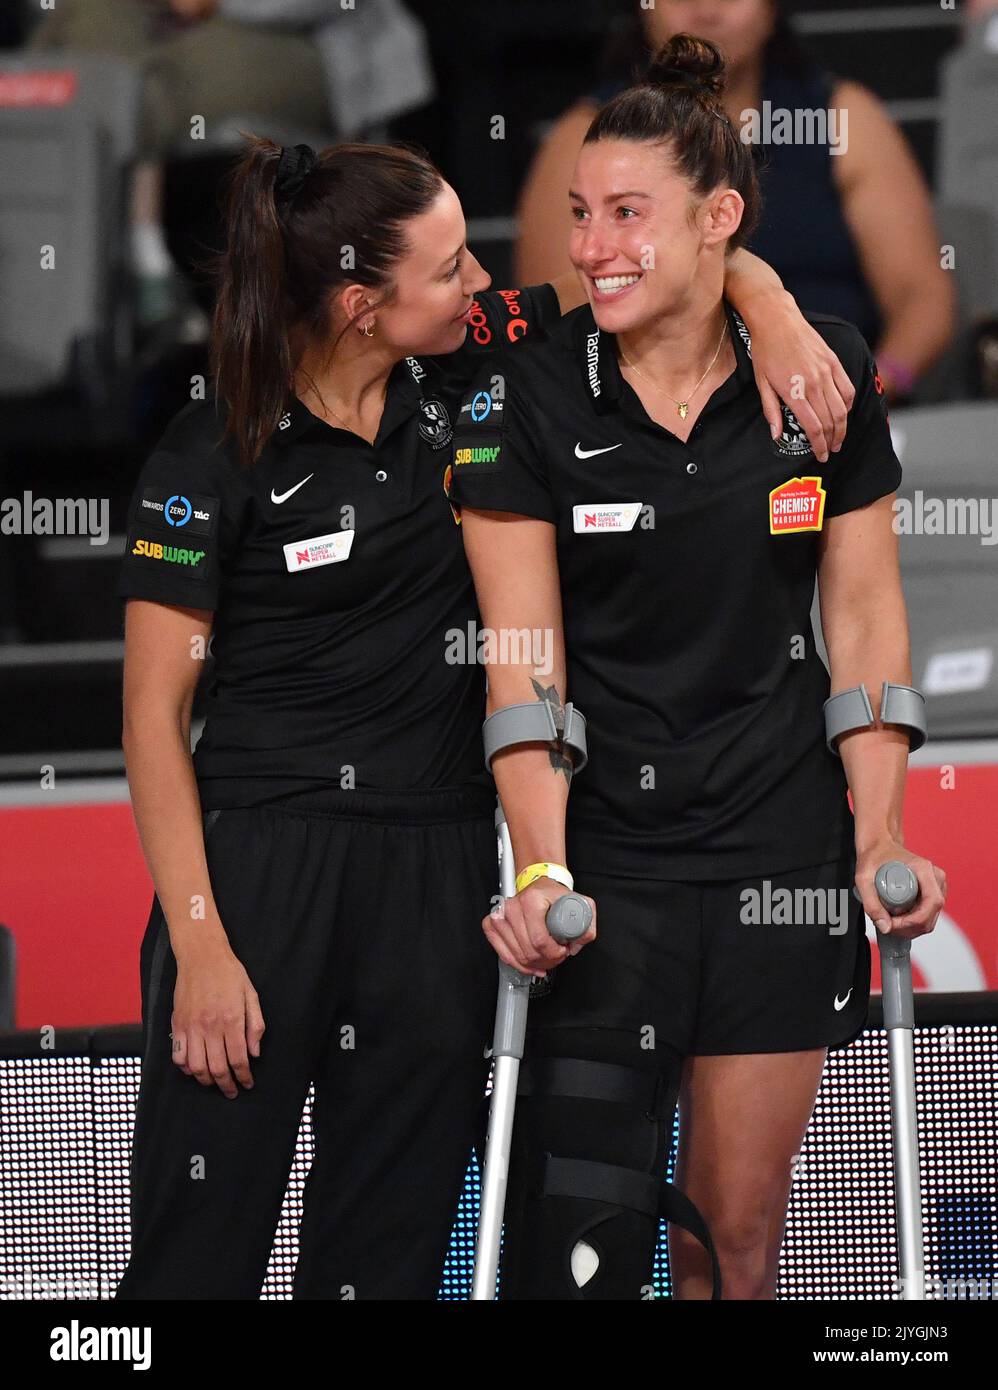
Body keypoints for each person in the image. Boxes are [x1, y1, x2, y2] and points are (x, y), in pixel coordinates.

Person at [112, 130, 857, 1300]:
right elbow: (151, 721)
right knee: (194, 1262)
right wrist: (200, 943)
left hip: (440, 869)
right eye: (453, 267)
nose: (482, 285)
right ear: (363, 304)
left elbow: (640, 277)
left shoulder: (471, 370)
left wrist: (765, 296)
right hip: (259, 879)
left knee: (387, 1257)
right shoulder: (209, 455)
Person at [447, 35, 948, 1300]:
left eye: (628, 214)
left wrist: (877, 833)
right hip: (607, 867)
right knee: (593, 1240)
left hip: (773, 854)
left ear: (718, 217)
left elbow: (869, 627)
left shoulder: (817, 383)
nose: (591, 245)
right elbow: (522, 664)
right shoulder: (524, 397)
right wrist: (542, 860)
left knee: (733, 1233)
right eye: (577, 214)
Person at [515, 0, 954, 403]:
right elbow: (557, 318)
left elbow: (922, 297)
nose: (706, 10)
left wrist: (865, 391)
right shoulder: (590, 142)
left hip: (833, 421)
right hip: (649, 429)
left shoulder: (841, 118)